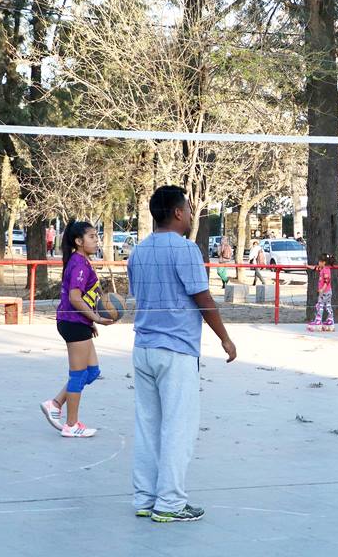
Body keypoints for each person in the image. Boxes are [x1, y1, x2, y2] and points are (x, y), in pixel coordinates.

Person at [128, 185, 237, 523]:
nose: (191, 215)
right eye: (189, 209)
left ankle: (145, 498)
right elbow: (203, 298)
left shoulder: (138, 252)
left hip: (143, 349)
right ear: (177, 213)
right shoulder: (186, 250)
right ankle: (170, 504)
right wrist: (225, 338)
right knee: (178, 427)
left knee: (148, 426)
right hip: (175, 352)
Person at [40, 221, 112, 438]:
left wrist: (90, 322)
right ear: (79, 242)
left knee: (92, 372)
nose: (96, 240)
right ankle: (71, 425)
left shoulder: (82, 261)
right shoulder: (79, 263)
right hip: (72, 322)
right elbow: (74, 298)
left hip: (79, 323)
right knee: (78, 374)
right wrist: (96, 318)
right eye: (91, 237)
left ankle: (55, 404)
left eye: (96, 236)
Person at [307, 252, 335, 332]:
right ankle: (330, 320)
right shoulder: (323, 268)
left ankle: (318, 321)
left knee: (320, 305)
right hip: (328, 292)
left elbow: (327, 281)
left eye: (319, 261)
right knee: (328, 306)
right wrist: (307, 266)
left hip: (325, 292)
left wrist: (322, 289)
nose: (318, 263)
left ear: (324, 262)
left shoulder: (326, 270)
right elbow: (315, 268)